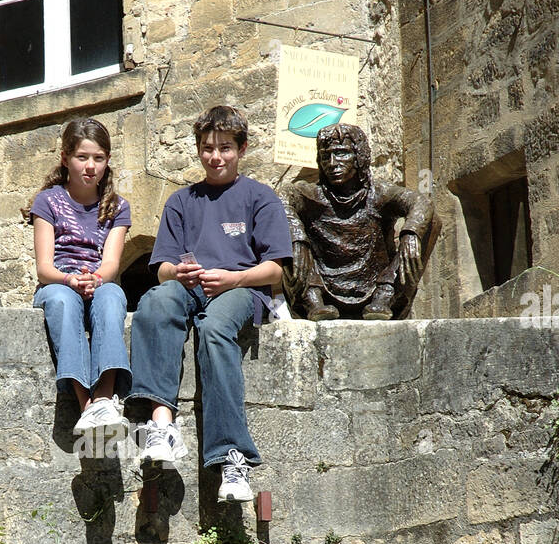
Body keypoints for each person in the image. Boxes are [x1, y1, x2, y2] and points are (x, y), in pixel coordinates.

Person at [125, 105, 292, 502]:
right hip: (191, 285)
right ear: (198, 150)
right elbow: (162, 267)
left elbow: (276, 271)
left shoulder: (260, 198)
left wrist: (234, 277)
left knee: (214, 329)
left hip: (240, 288)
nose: (215, 157)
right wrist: (176, 274)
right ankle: (162, 425)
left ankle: (232, 459)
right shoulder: (182, 201)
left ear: (242, 149)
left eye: (225, 148)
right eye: (207, 148)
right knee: (155, 301)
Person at [26, 118, 132, 436]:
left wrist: (95, 279)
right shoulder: (48, 202)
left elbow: (111, 262)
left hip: (96, 280)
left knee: (113, 296)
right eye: (82, 158)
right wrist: (71, 280)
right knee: (62, 302)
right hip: (58, 282)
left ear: (107, 161)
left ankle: (104, 399)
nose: (90, 167)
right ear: (65, 159)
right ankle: (86, 406)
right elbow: (44, 268)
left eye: (98, 158)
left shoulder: (117, 207)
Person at [282, 123, 439, 320]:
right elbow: (280, 198)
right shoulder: (310, 194)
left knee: (429, 222)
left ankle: (387, 294)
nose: (332, 163)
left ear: (359, 156)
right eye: (325, 156)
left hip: (376, 296)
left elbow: (421, 202)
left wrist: (411, 232)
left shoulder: (379, 194)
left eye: (341, 153)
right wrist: (297, 238)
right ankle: (310, 297)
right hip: (323, 297)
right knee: (280, 223)